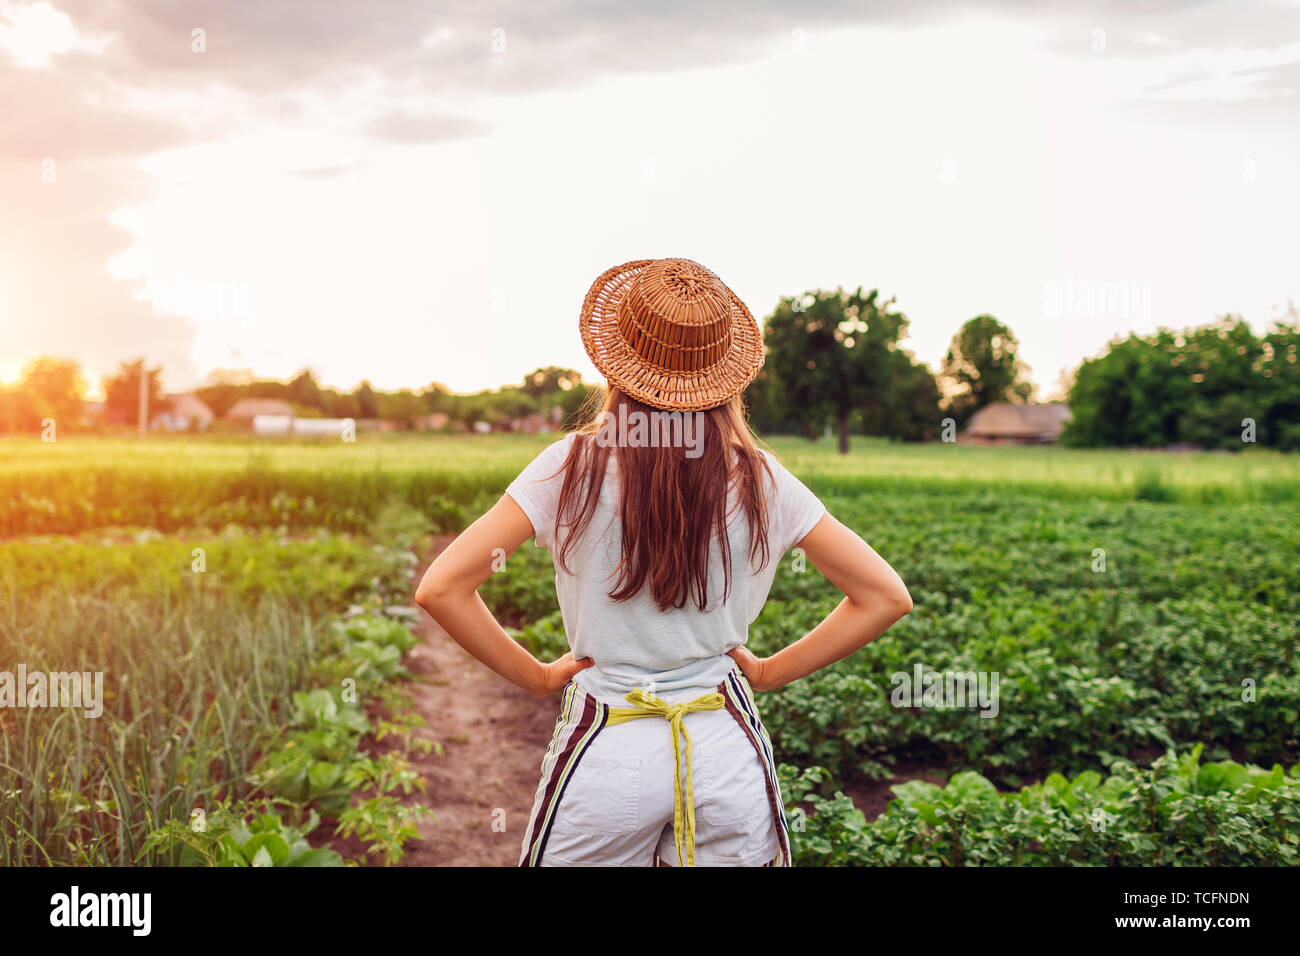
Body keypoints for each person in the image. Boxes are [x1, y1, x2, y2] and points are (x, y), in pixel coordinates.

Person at [415, 257, 912, 867]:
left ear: (617, 363)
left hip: (607, 747)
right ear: (725, 375)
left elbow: (441, 588)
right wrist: (770, 673)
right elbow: (886, 596)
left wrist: (536, 677)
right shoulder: (762, 480)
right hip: (723, 750)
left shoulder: (569, 466)